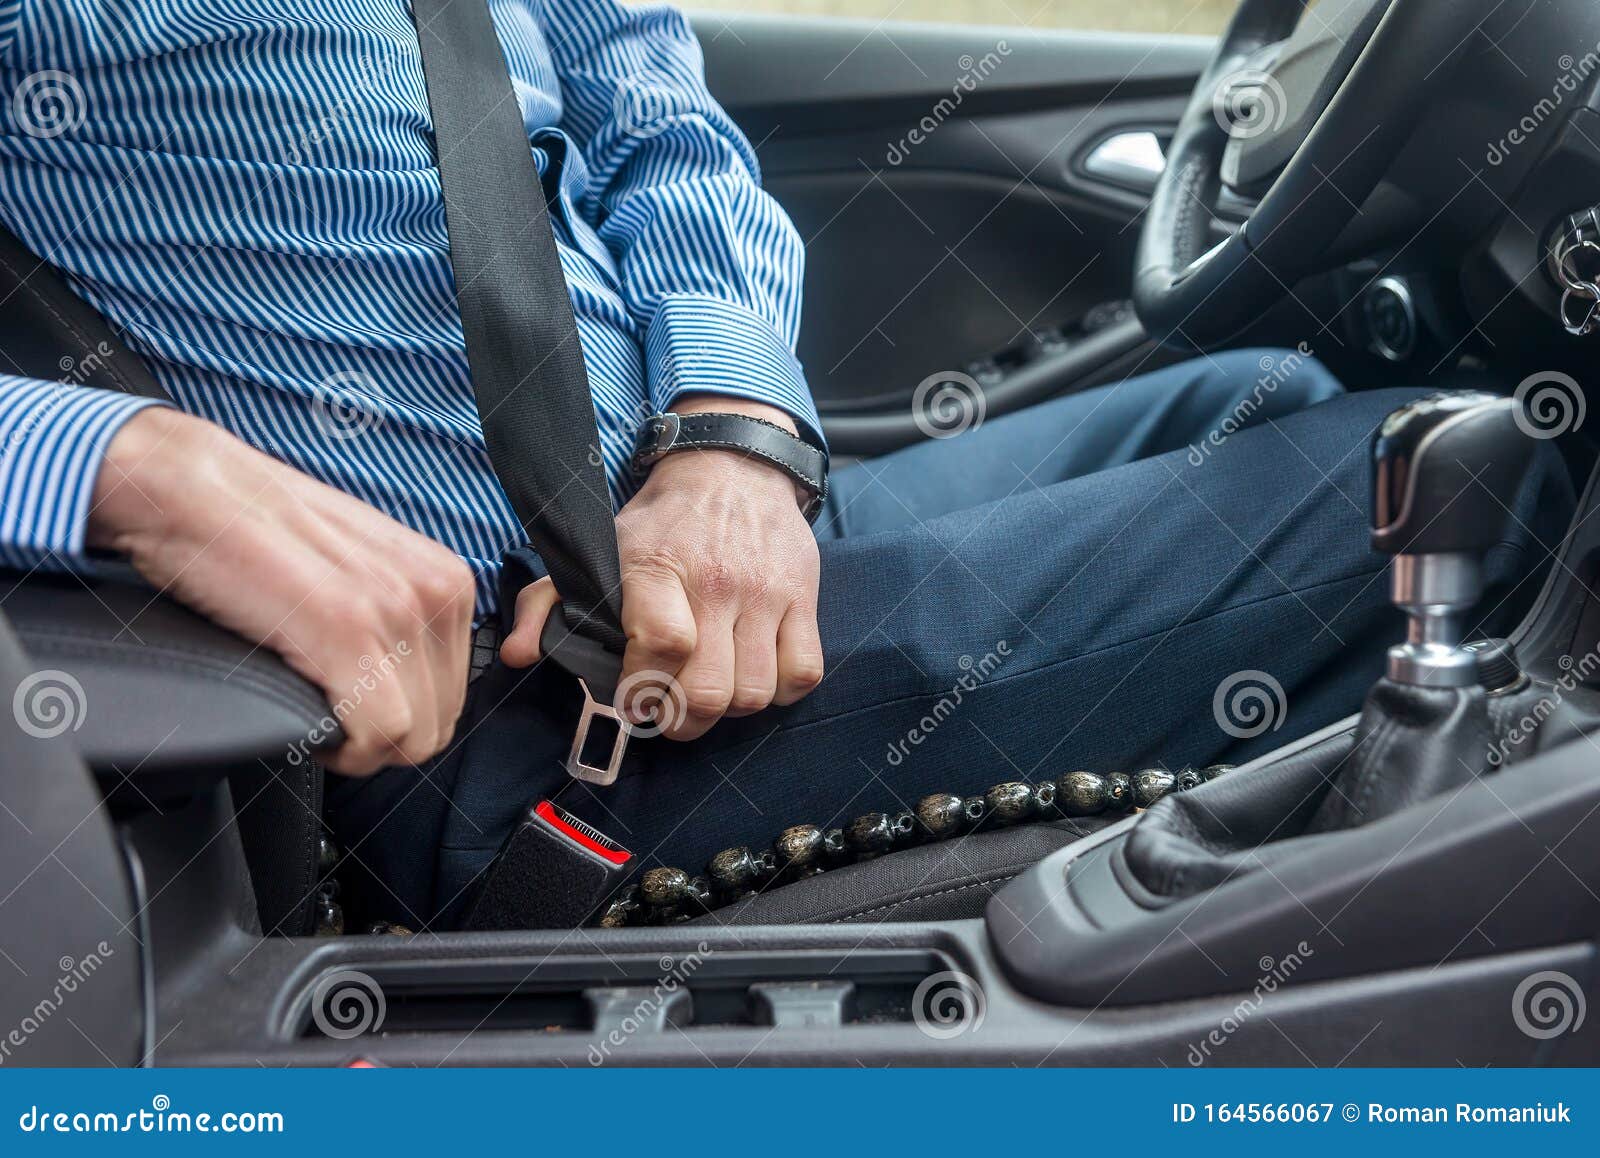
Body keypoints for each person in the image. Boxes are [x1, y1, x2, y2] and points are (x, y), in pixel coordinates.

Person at [0, 2, 1569, 928]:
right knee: (1462, 499)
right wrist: (128, 468)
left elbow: (658, 130)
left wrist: (736, 443)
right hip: (474, 716)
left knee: (1256, 397)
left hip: (683, 528)